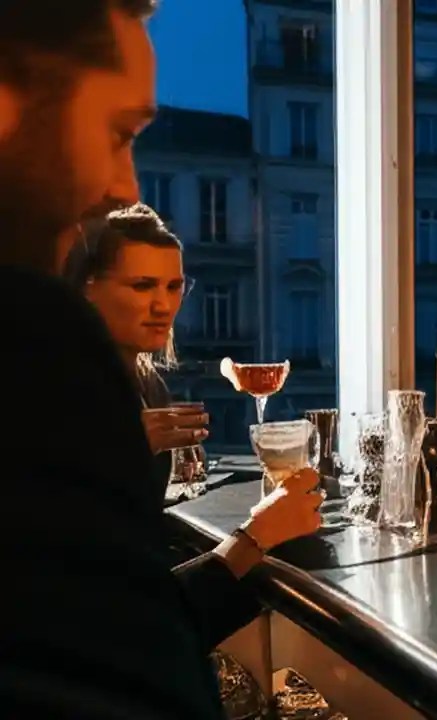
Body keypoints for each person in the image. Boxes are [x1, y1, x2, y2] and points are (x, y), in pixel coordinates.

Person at [0, 3, 321, 718]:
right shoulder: (44, 348)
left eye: (174, 287)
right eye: (119, 134)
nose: (126, 185)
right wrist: (253, 537)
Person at [66, 202, 209, 497]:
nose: (163, 306)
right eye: (143, 286)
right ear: (89, 288)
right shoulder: (58, 385)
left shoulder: (148, 383)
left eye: (174, 287)